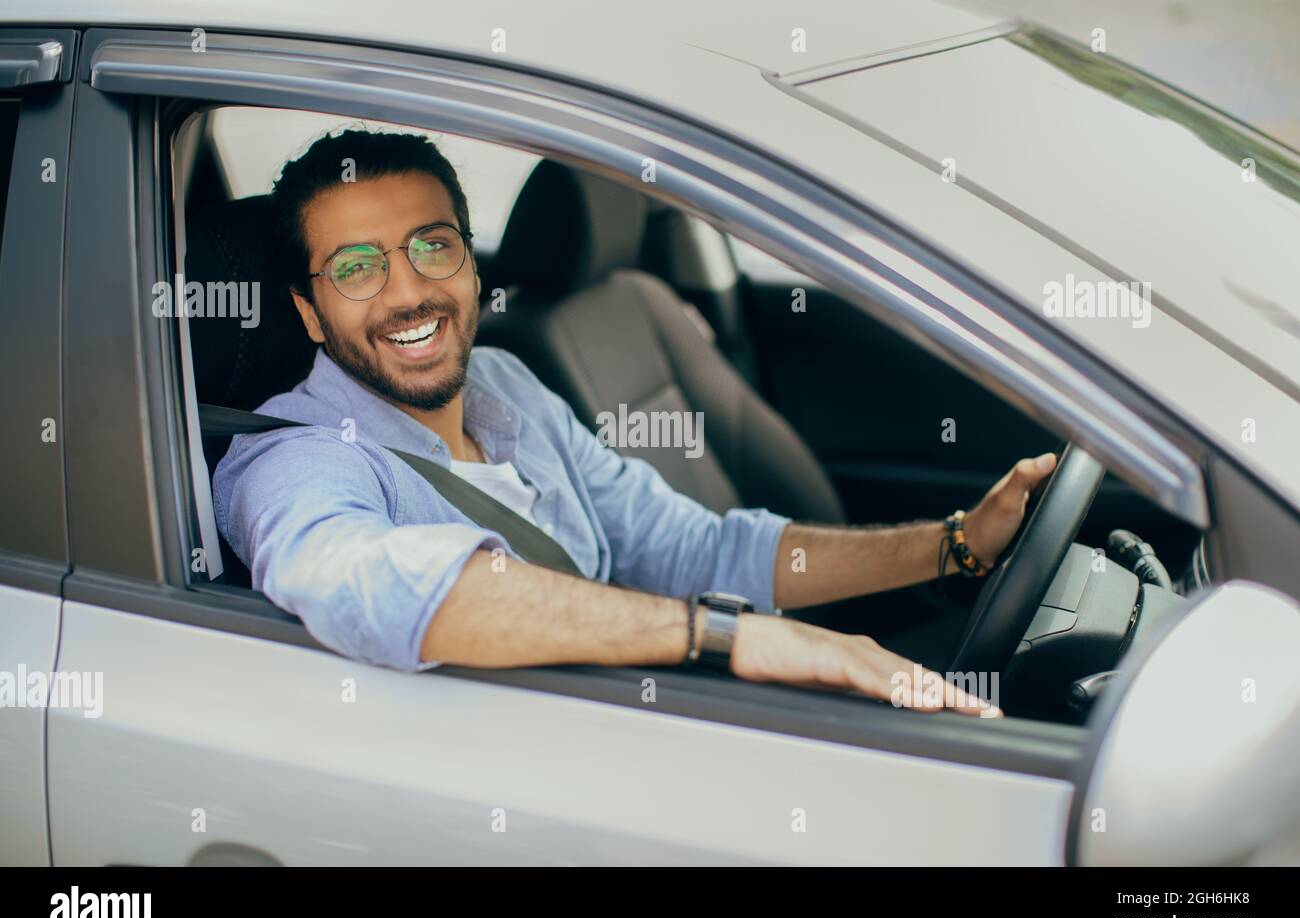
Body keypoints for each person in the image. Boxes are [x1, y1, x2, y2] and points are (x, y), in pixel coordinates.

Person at [213, 129, 1057, 717]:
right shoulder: (295, 459)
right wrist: (736, 639)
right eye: (357, 268)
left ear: (471, 265)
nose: (407, 293)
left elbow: (698, 550)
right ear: (310, 312)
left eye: (433, 246)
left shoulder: (507, 386)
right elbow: (357, 581)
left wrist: (955, 544)